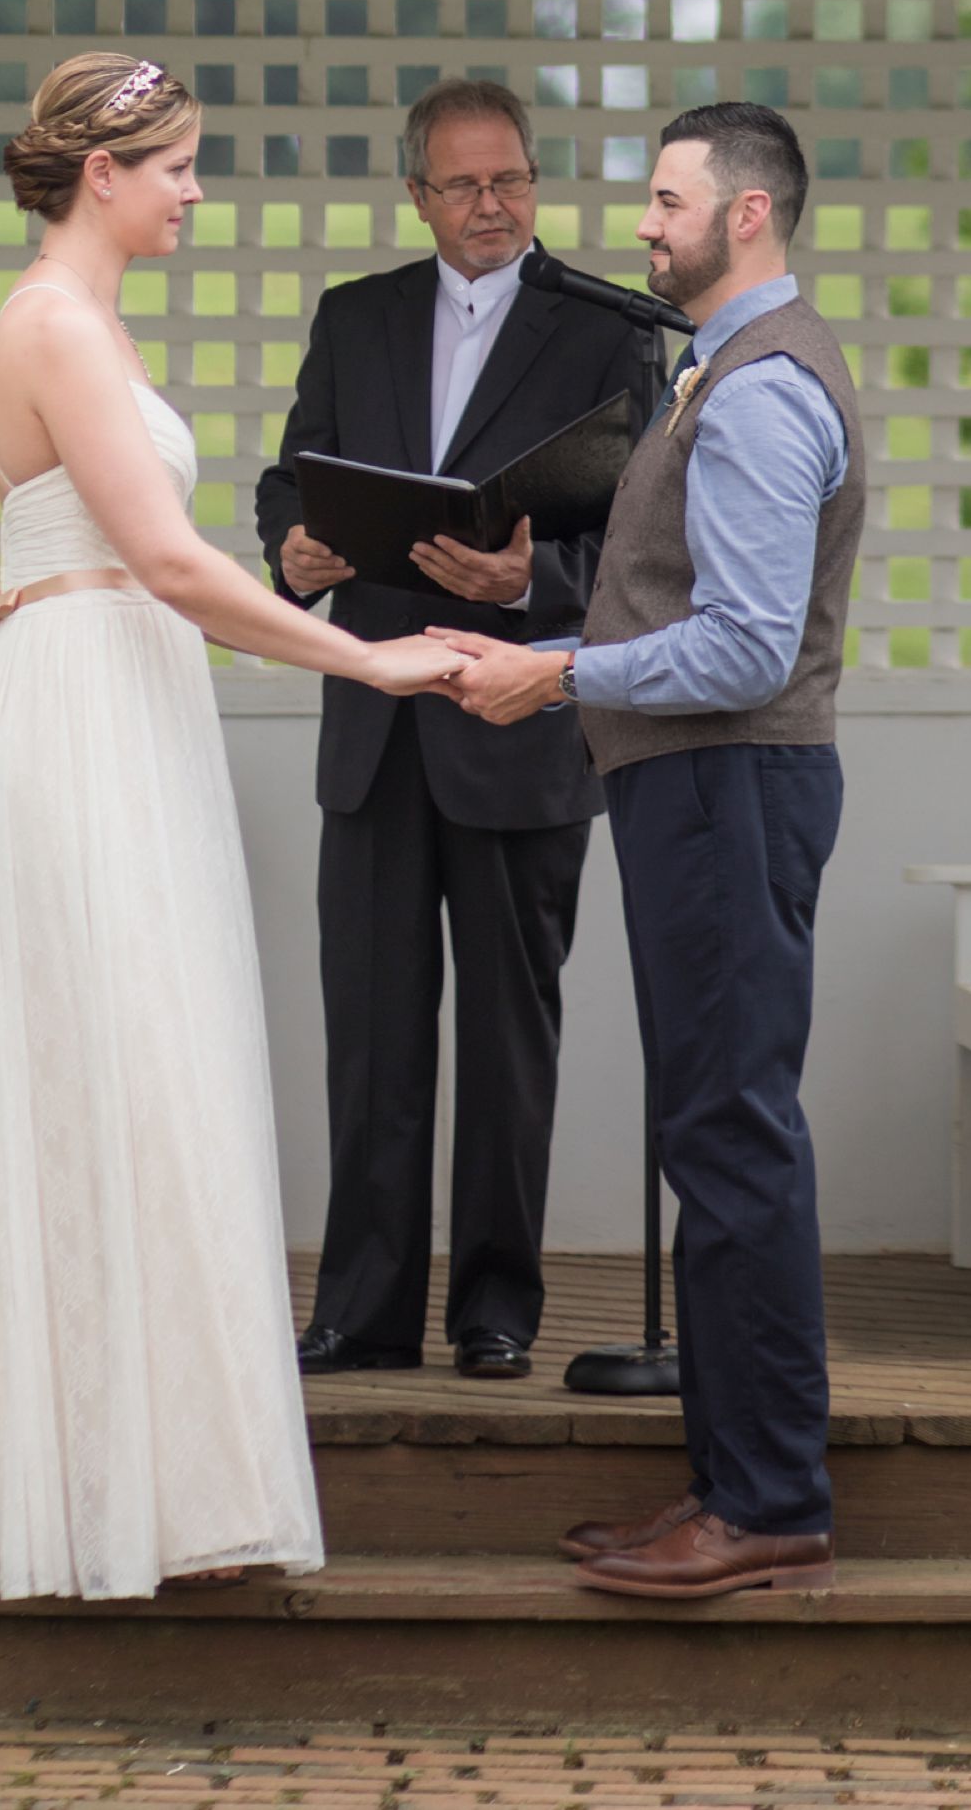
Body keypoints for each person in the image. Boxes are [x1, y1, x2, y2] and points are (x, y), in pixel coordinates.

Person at [0, 50, 458, 1603]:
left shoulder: (93, 322)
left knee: (157, 1073)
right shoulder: (53, 323)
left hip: (123, 708)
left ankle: (162, 1475)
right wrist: (371, 659)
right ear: (104, 173)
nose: (198, 193)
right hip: (76, 711)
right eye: (180, 168)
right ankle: (90, 1493)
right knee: (108, 1068)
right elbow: (165, 559)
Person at [429, 101, 861, 1600]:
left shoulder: (756, 394)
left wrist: (552, 671)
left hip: (727, 789)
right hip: (702, 793)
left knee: (732, 1138)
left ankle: (769, 1503)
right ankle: (729, 1485)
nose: (647, 224)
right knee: (716, 1131)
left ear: (746, 216)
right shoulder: (723, 377)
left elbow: (742, 649)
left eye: (670, 201)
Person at [256, 82, 646, 1381]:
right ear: (417, 195)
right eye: (465, 186)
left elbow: (636, 539)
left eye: (513, 182)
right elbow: (293, 471)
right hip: (374, 726)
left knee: (507, 1041)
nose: (493, 207)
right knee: (371, 1037)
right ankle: (361, 1312)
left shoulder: (604, 330)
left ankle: (493, 1313)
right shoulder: (355, 317)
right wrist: (294, 548)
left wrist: (526, 588)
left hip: (518, 724)